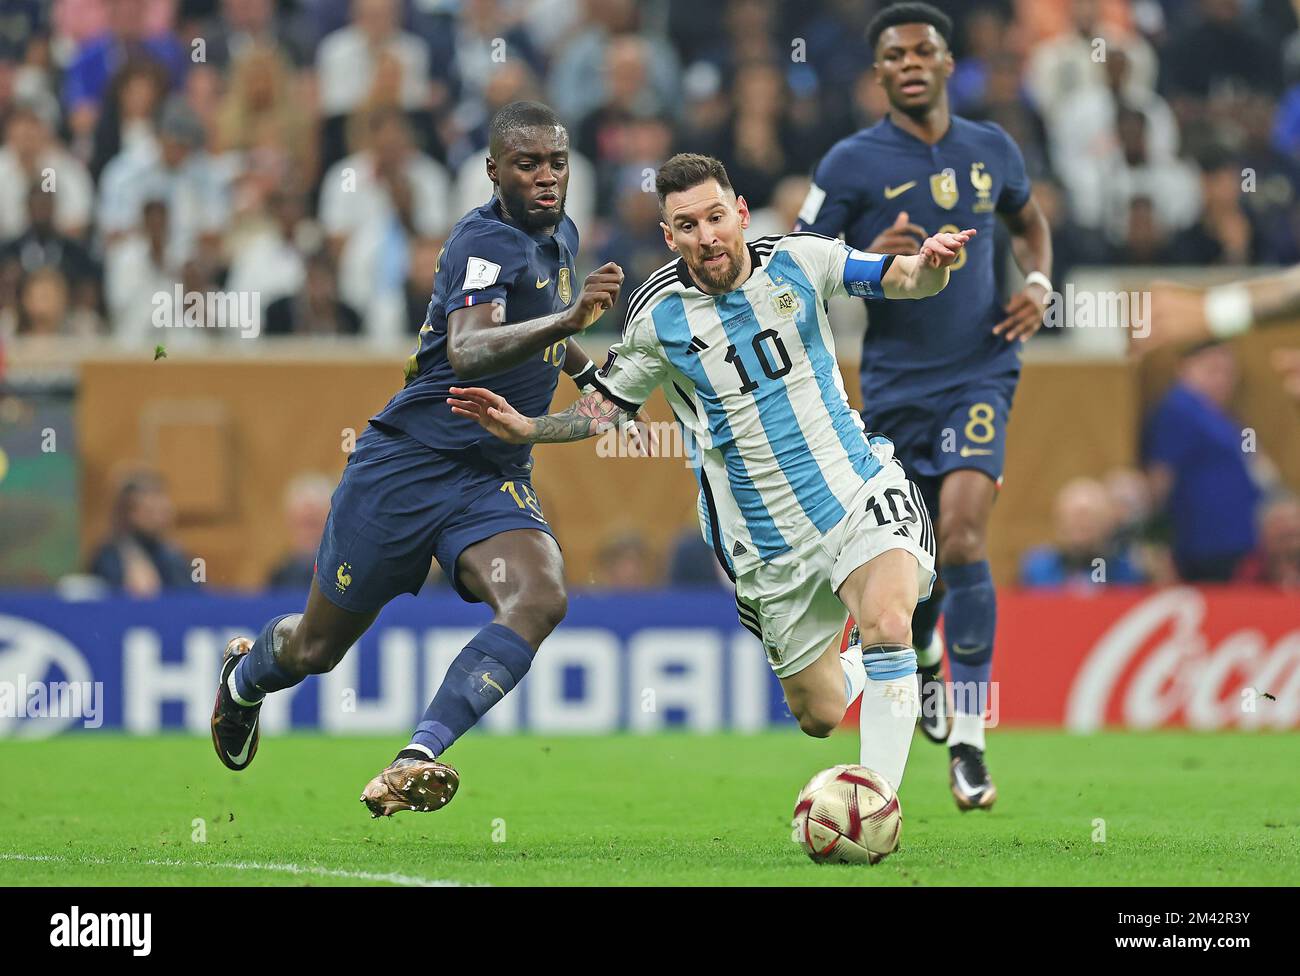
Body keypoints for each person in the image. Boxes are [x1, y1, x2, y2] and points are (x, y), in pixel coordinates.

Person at [449, 152, 973, 797]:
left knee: (887, 620)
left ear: (741, 214)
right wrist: (531, 429)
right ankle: (889, 661)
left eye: (716, 218)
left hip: (855, 490)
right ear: (669, 235)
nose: (707, 236)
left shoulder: (803, 262)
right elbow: (608, 409)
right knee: (821, 714)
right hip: (763, 544)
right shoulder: (656, 316)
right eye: (687, 225)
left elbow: (901, 277)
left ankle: (877, 801)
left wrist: (933, 264)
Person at [210, 101, 640, 818]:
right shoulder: (481, 241)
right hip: (405, 469)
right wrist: (567, 321)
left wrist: (586, 372)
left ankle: (418, 755)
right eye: (528, 164)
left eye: (557, 163)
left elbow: (539, 321)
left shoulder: (560, 234)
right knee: (316, 649)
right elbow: (470, 345)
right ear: (493, 170)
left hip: (488, 476)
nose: (546, 177)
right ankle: (244, 676)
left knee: (540, 595)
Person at [794, 2, 1052, 810]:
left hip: (980, 369)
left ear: (947, 62)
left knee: (968, 533)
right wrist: (874, 257)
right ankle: (929, 660)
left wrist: (1039, 284)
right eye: (894, 55)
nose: (910, 62)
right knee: (925, 556)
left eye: (923, 50)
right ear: (878, 75)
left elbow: (1030, 224)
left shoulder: (992, 146)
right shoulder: (848, 164)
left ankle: (969, 742)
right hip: (896, 386)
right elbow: (789, 265)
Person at [1143, 340, 1265, 582]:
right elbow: (1160, 478)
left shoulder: (1219, 414)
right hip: (1201, 544)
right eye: (1211, 369)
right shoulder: (1178, 409)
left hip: (1234, 542)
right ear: (1183, 368)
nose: (1221, 379)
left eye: (1227, 372)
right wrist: (1156, 543)